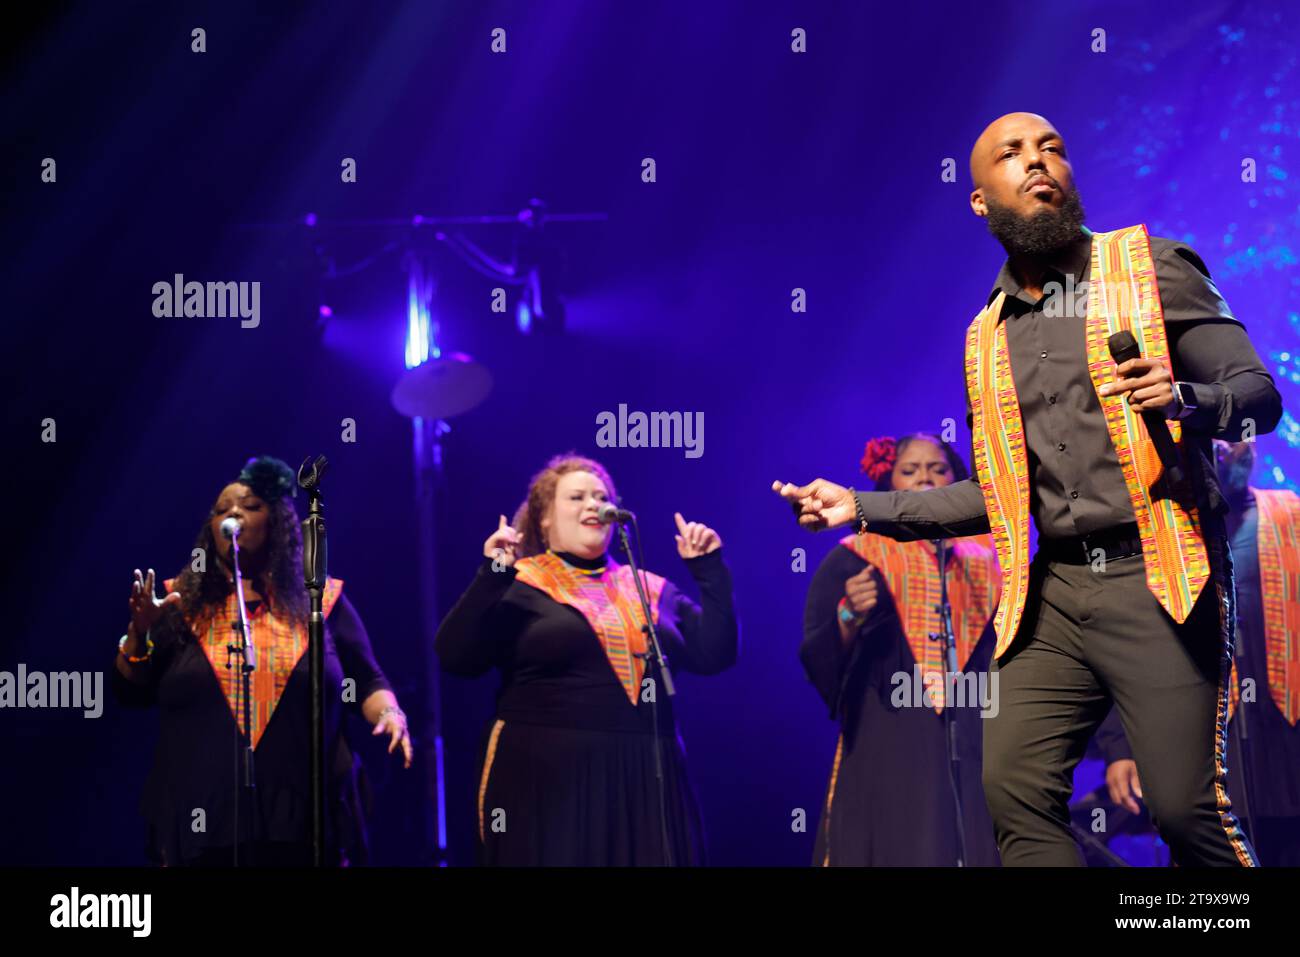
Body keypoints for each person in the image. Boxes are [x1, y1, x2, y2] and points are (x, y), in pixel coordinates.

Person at [774, 111, 1282, 866]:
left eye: (1051, 148)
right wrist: (861, 506)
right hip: (1053, 591)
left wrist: (1188, 399)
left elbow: (1259, 393)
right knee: (1012, 789)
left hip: (1159, 573)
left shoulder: (1151, 267)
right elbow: (998, 497)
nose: (1037, 161)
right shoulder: (986, 335)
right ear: (980, 200)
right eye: (1010, 155)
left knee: (1182, 809)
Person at [435, 452, 738, 865]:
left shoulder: (650, 588)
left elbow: (716, 654)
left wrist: (709, 572)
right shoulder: (521, 583)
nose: (593, 505)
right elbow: (455, 657)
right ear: (543, 517)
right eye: (576, 497)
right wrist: (491, 575)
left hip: (646, 779)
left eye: (601, 497)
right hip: (548, 781)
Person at [114, 456, 411, 866]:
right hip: (204, 823)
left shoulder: (320, 602)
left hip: (304, 823)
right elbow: (130, 690)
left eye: (250, 505)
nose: (233, 513)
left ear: (278, 524)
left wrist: (390, 712)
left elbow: (367, 679)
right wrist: (139, 630)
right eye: (222, 510)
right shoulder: (179, 604)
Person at [800, 433, 1001, 866]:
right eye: (909, 470)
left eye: (938, 468)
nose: (925, 477)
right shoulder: (855, 557)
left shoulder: (993, 561)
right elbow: (819, 662)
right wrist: (850, 615)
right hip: (888, 737)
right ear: (889, 485)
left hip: (979, 732)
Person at [1096, 439, 1300, 865]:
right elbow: (1122, 646)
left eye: (1236, 433)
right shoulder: (1152, 536)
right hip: (1198, 742)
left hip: (1285, 742)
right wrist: (1120, 748)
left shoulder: (1291, 516)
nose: (1225, 445)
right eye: (1212, 432)